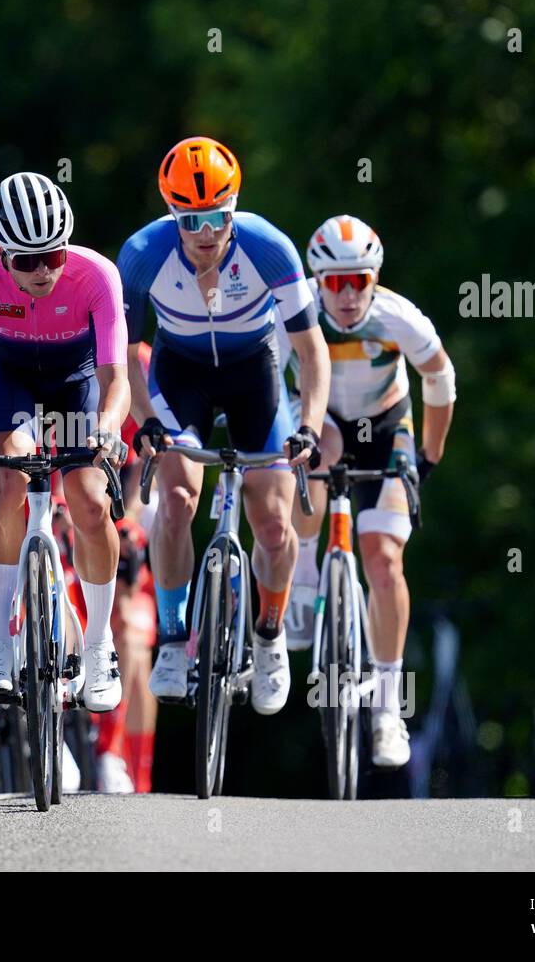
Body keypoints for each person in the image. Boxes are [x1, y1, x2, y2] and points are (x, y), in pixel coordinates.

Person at [118, 136, 330, 715]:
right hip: (180, 372)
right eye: (191, 220)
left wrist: (308, 427)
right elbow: (124, 352)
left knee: (271, 518)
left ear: (233, 209)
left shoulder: (268, 248)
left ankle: (269, 635)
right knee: (179, 496)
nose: (206, 232)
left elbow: (312, 354)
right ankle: (171, 635)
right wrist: (146, 424)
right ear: (173, 214)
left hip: (252, 373)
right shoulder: (141, 254)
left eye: (218, 217)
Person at [0, 171, 130, 713]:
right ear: (0, 253)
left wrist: (108, 428)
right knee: (7, 472)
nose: (43, 270)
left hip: (76, 381)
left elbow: (116, 379)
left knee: (90, 502)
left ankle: (99, 647)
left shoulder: (98, 275)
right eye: (25, 260)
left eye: (54, 256)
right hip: (7, 377)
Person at [285, 214, 456, 767]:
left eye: (360, 279)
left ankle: (387, 709)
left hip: (388, 429)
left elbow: (441, 379)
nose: (349, 293)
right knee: (316, 451)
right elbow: (261, 373)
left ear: (374, 278)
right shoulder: (298, 310)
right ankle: (306, 575)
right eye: (335, 282)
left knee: (383, 561)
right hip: (324, 419)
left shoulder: (394, 315)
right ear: (318, 280)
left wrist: (430, 455)